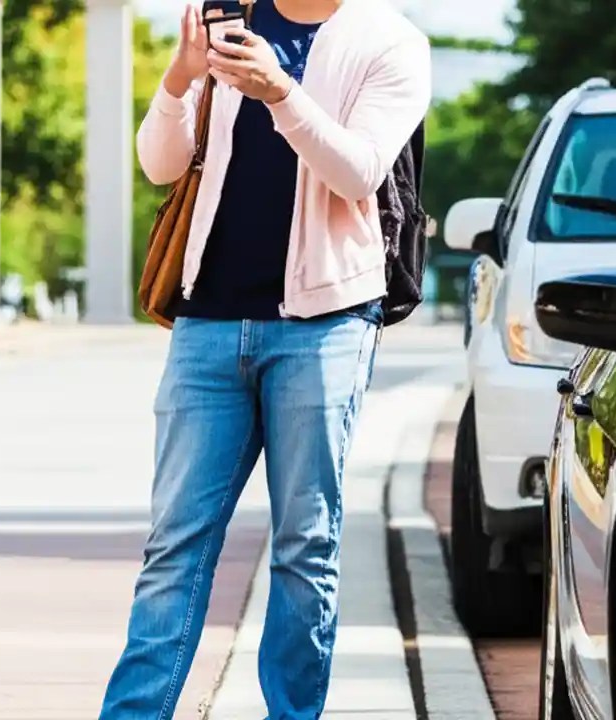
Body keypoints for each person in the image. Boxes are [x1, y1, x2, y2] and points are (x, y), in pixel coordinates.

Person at [99, 0, 430, 717]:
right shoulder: (234, 16)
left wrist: (281, 91)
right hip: (207, 323)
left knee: (305, 549)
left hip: (325, 326)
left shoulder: (391, 42)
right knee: (173, 548)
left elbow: (359, 171)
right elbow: (160, 165)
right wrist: (181, 78)